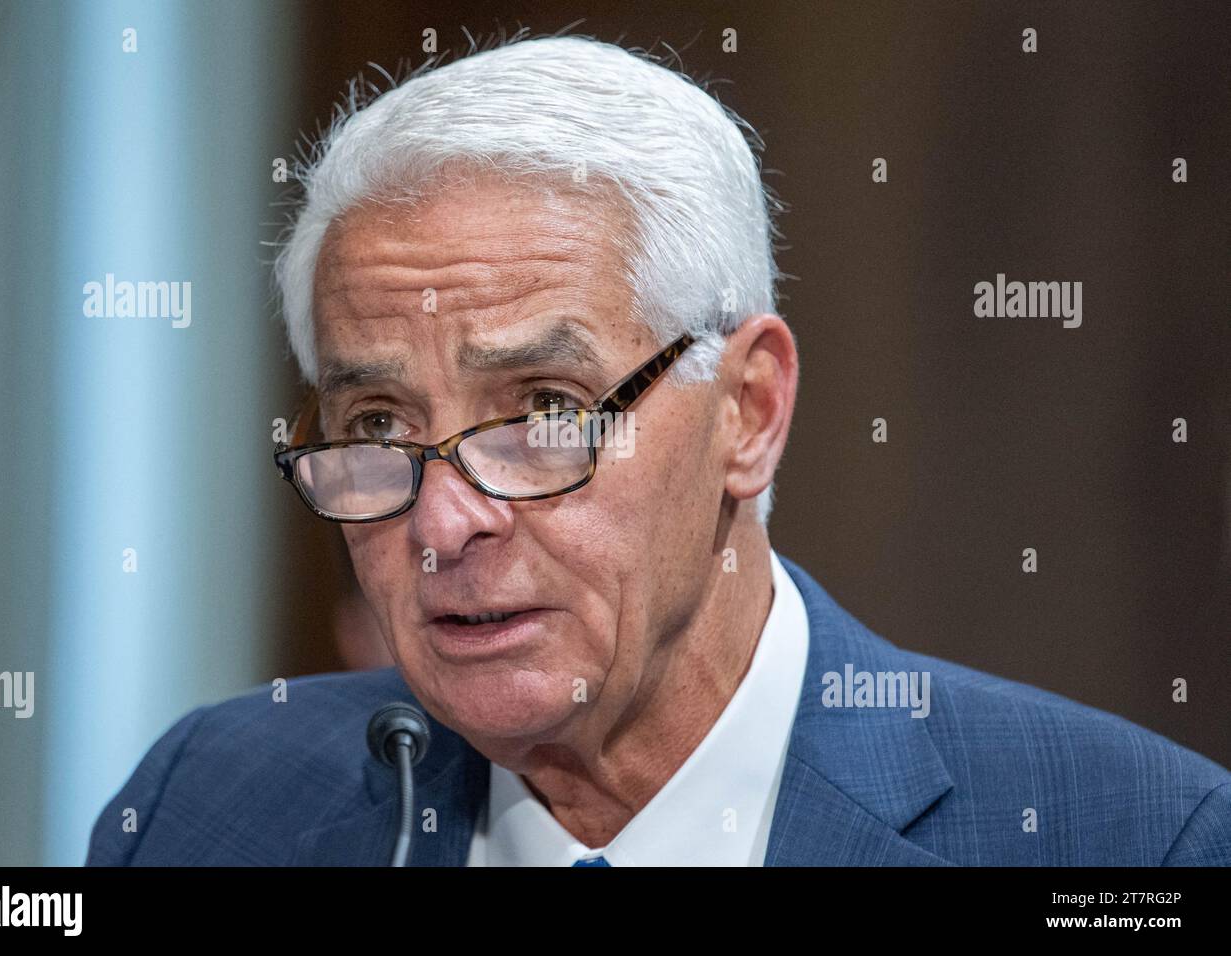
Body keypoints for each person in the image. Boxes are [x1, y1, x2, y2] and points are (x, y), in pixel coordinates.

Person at [86, 35, 1230, 866]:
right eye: (378, 426)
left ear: (748, 409)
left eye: (543, 407)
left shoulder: (1127, 841)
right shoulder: (206, 805)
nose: (441, 524)